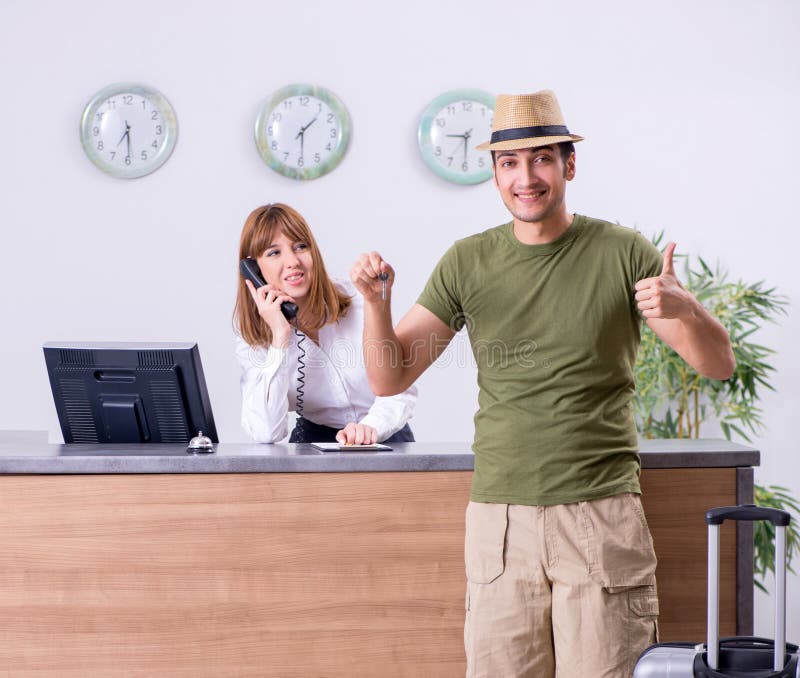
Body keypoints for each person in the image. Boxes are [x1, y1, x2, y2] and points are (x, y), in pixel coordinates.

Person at [350, 91, 735, 677]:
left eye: (542, 160)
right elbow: (390, 373)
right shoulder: (467, 262)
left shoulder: (623, 252)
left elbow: (717, 365)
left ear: (568, 165)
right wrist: (376, 306)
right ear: (495, 173)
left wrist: (687, 310)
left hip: (601, 512)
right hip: (501, 521)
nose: (525, 178)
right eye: (509, 163)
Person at [233, 203, 416, 445]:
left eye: (300, 247)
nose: (292, 261)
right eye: (274, 253)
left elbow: (401, 387)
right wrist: (279, 336)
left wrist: (370, 428)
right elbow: (265, 431)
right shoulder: (252, 339)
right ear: (253, 269)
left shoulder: (361, 298)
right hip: (313, 443)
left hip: (385, 435)